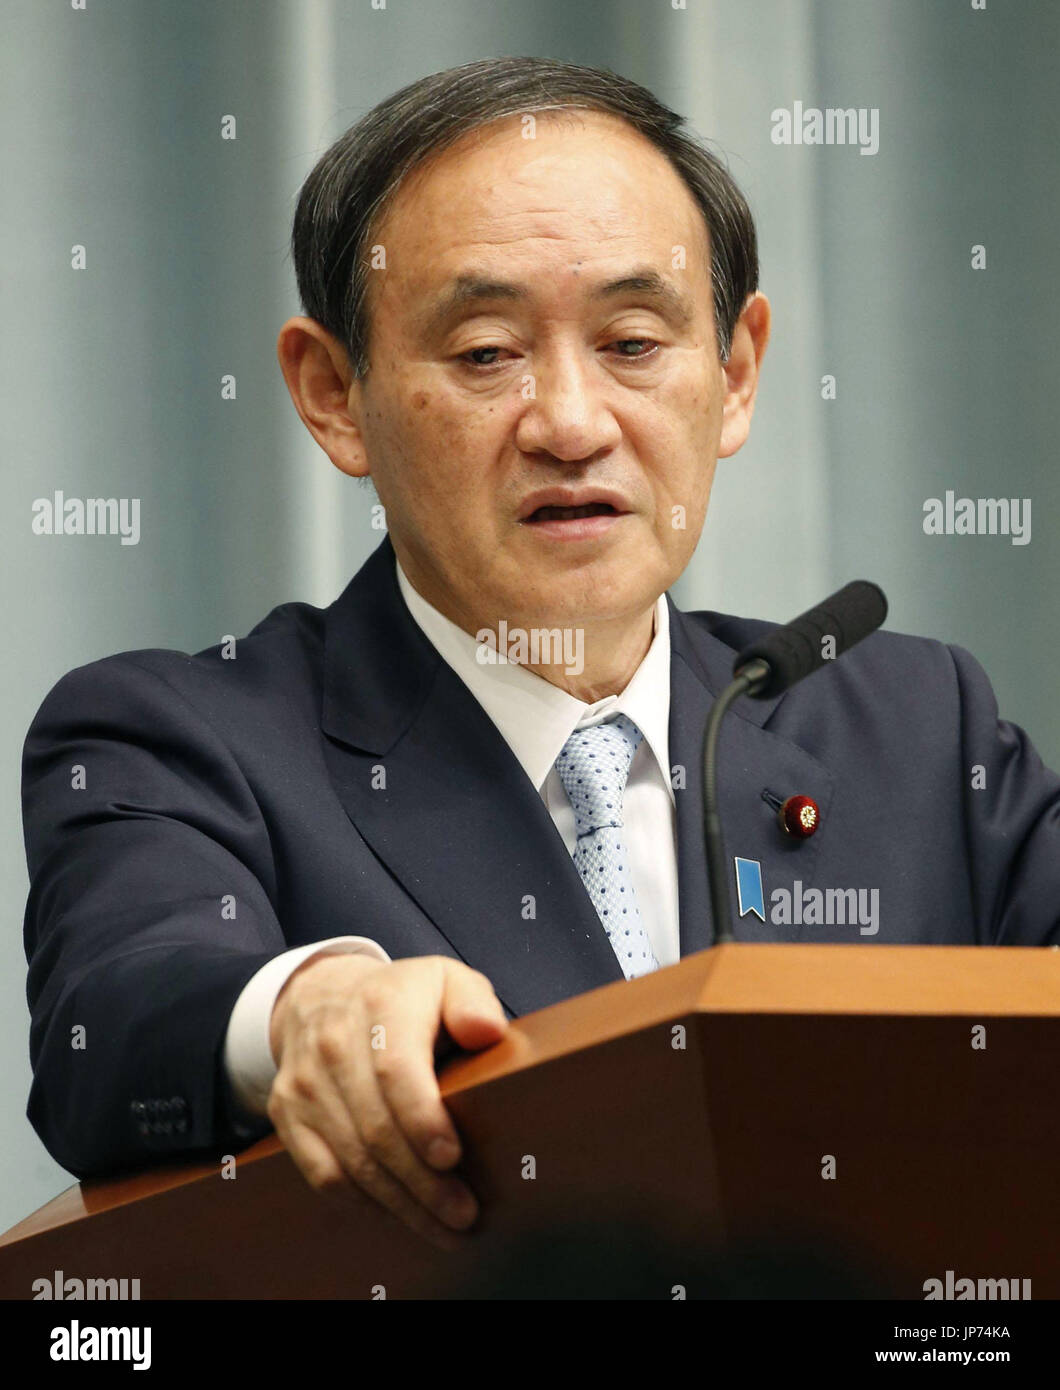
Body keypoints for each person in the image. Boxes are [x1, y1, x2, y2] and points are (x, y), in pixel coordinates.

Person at [21, 57, 1060, 1252]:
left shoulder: (913, 724)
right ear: (333, 394)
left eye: (630, 340)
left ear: (732, 373)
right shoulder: (178, 736)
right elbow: (117, 1012)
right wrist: (303, 1010)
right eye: (483, 354)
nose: (571, 424)